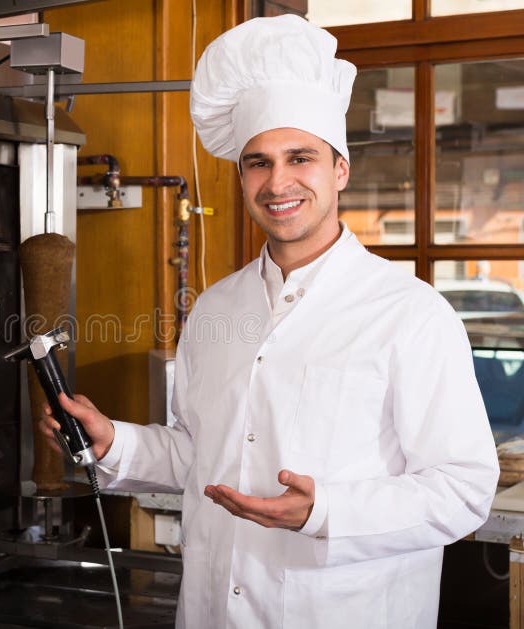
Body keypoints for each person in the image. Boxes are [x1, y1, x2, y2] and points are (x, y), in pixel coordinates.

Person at [40, 14, 499, 629]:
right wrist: (114, 441)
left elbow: (465, 489)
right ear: (241, 175)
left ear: (340, 169)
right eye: (258, 162)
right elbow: (202, 455)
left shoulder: (411, 314)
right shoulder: (216, 308)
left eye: (300, 157)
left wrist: (325, 511)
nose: (277, 182)